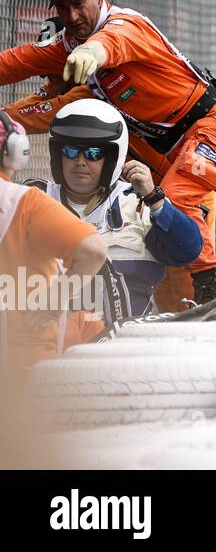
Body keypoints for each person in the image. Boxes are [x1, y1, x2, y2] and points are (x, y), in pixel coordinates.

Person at [0, 0, 216, 307]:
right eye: (64, 8)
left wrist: (92, 52)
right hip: (172, 161)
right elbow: (19, 71)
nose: (73, 14)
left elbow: (111, 43)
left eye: (79, 4)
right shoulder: (77, 72)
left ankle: (211, 291)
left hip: (210, 129)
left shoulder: (119, 29)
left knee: (176, 209)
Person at [25, 100, 201, 321]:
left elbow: (187, 250)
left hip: (124, 343)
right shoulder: (33, 200)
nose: (80, 161)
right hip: (47, 338)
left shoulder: (137, 202)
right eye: (70, 151)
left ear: (111, 157)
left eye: (93, 153)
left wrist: (154, 198)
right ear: (57, 154)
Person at [0, 111, 108, 369]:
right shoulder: (22, 202)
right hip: (22, 371)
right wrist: (50, 305)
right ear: (15, 151)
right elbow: (93, 251)